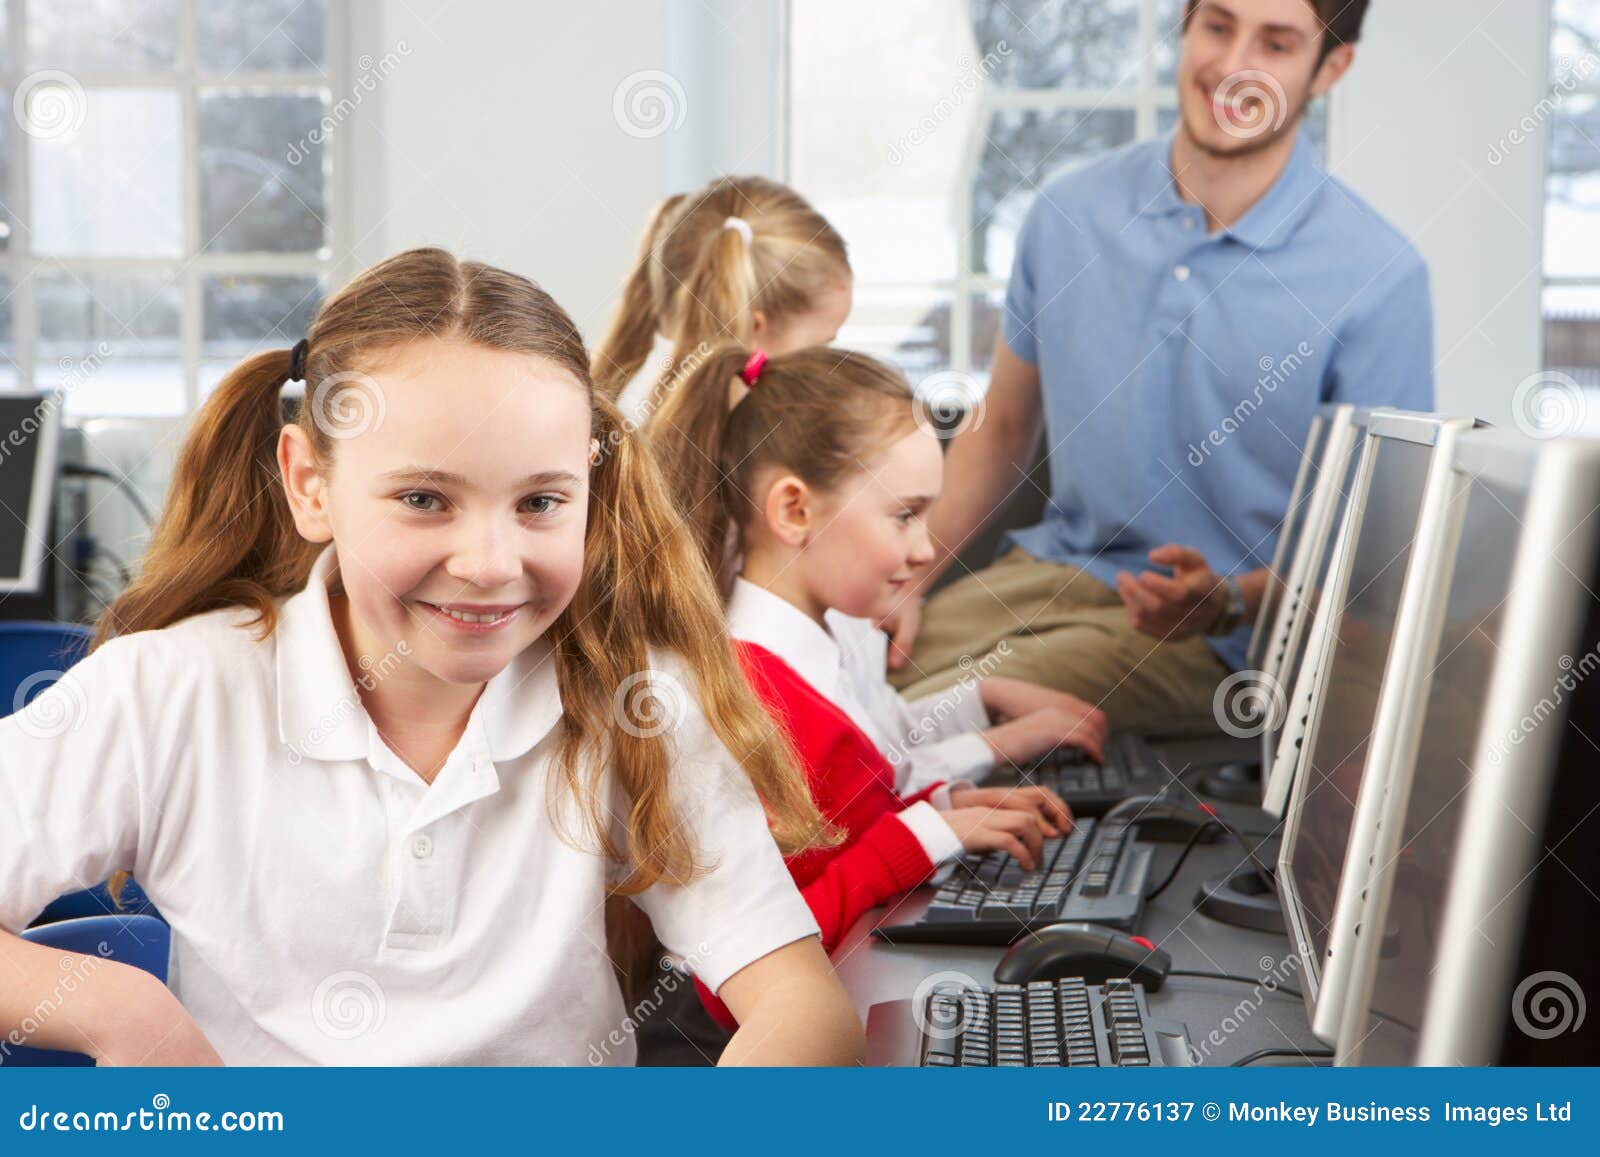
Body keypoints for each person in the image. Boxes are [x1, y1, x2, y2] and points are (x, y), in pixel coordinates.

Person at [0, 248, 862, 1067]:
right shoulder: (169, 690)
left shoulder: (633, 699)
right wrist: (124, 1009)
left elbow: (800, 1003)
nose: (490, 563)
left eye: (541, 501)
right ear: (309, 484)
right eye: (424, 498)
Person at [885, 0, 1434, 735]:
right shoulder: (1069, 211)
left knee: (907, 724)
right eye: (1217, 25)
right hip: (1048, 576)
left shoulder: (1379, 274)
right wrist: (907, 580)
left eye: (1275, 43)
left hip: (1218, 638)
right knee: (826, 674)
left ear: (1329, 68)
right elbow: (1005, 425)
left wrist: (1231, 600)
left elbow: (1377, 554)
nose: (1233, 66)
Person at [591, 175, 853, 425]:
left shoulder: (646, 389)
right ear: (754, 330)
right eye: (822, 346)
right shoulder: (660, 423)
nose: (826, 366)